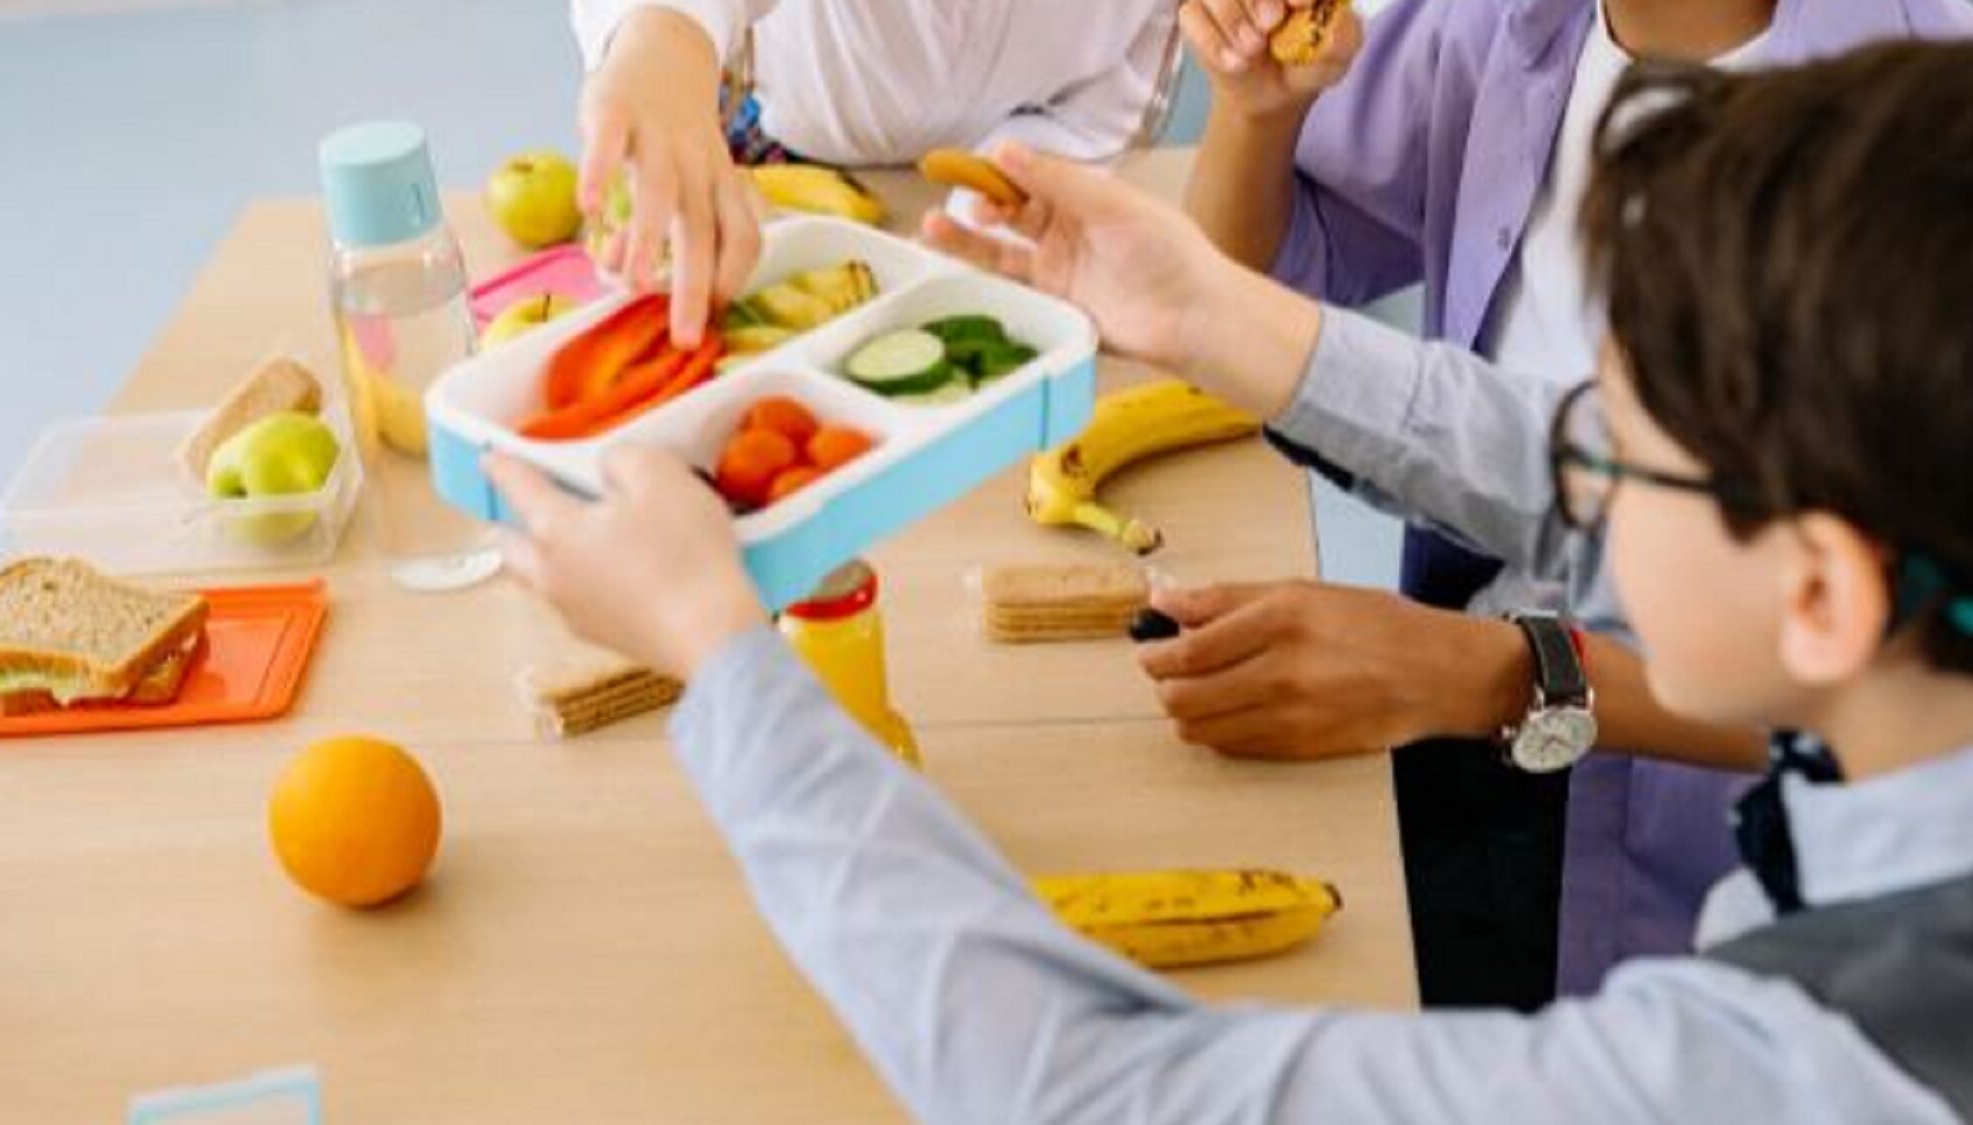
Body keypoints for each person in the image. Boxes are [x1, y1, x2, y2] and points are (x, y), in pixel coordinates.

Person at [488, 40, 1973, 1122]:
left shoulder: (1793, 1073)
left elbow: (1086, 1087)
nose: (1571, 483)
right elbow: (1543, 467)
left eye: (1615, 447)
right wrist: (1211, 313)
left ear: (1826, 598)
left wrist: (723, 658)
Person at [1168, 0, 1973, 1007]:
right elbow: (1268, 297)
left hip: (1681, 839)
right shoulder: (1494, 26)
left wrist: (1499, 675)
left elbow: (1912, 676)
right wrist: (1255, 114)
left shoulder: (1921, 128)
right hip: (1467, 709)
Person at [567, 0, 1180, 346]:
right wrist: (663, 32)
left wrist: (992, 225)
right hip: (757, 145)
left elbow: (1098, 113)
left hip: (998, 190)